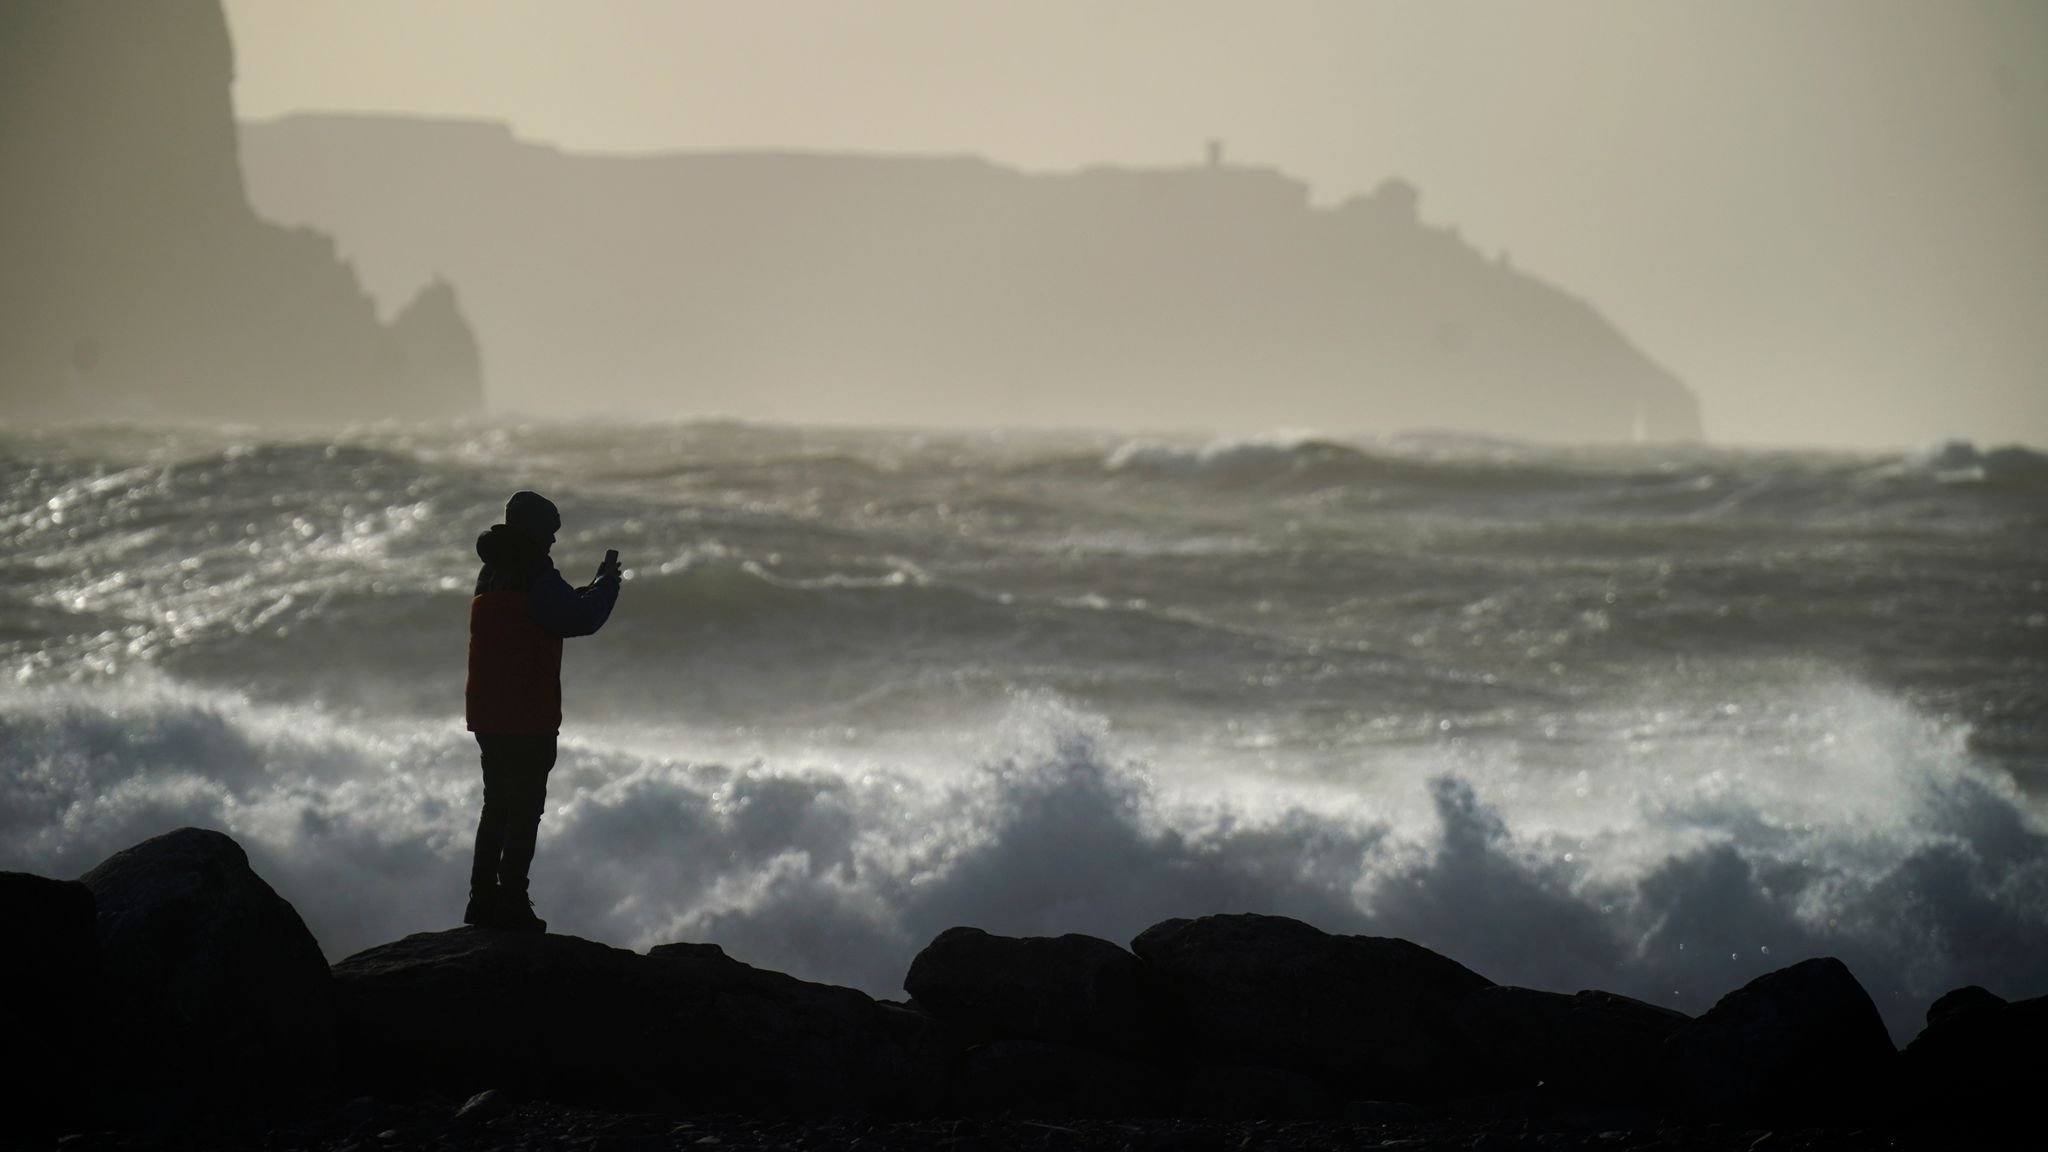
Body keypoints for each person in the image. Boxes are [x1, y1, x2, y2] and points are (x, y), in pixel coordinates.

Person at [463, 490, 621, 932]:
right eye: (549, 533)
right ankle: (512, 902)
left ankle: (481, 901)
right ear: (533, 531)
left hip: (489, 710)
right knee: (526, 808)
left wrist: (586, 591)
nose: (552, 542)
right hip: (527, 713)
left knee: (496, 806)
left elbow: (546, 611)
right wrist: (608, 585)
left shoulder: (490, 571)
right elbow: (577, 619)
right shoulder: (534, 572)